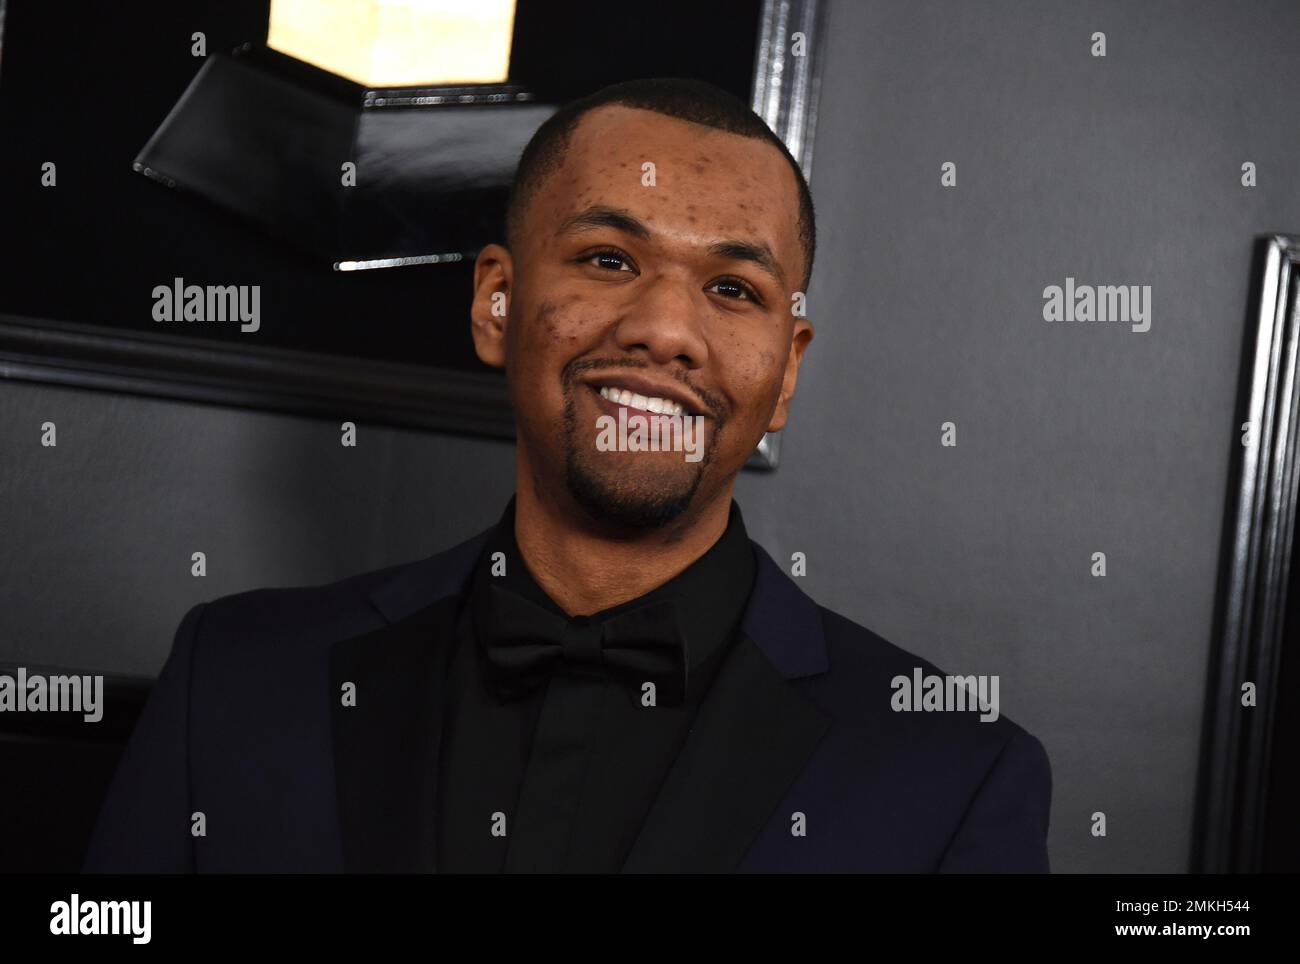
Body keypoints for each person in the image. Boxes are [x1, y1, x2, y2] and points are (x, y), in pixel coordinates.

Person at [83, 77, 1051, 873]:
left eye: (731, 289)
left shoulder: (953, 773)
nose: (666, 330)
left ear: (786, 367)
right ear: (497, 303)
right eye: (607, 258)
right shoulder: (238, 680)